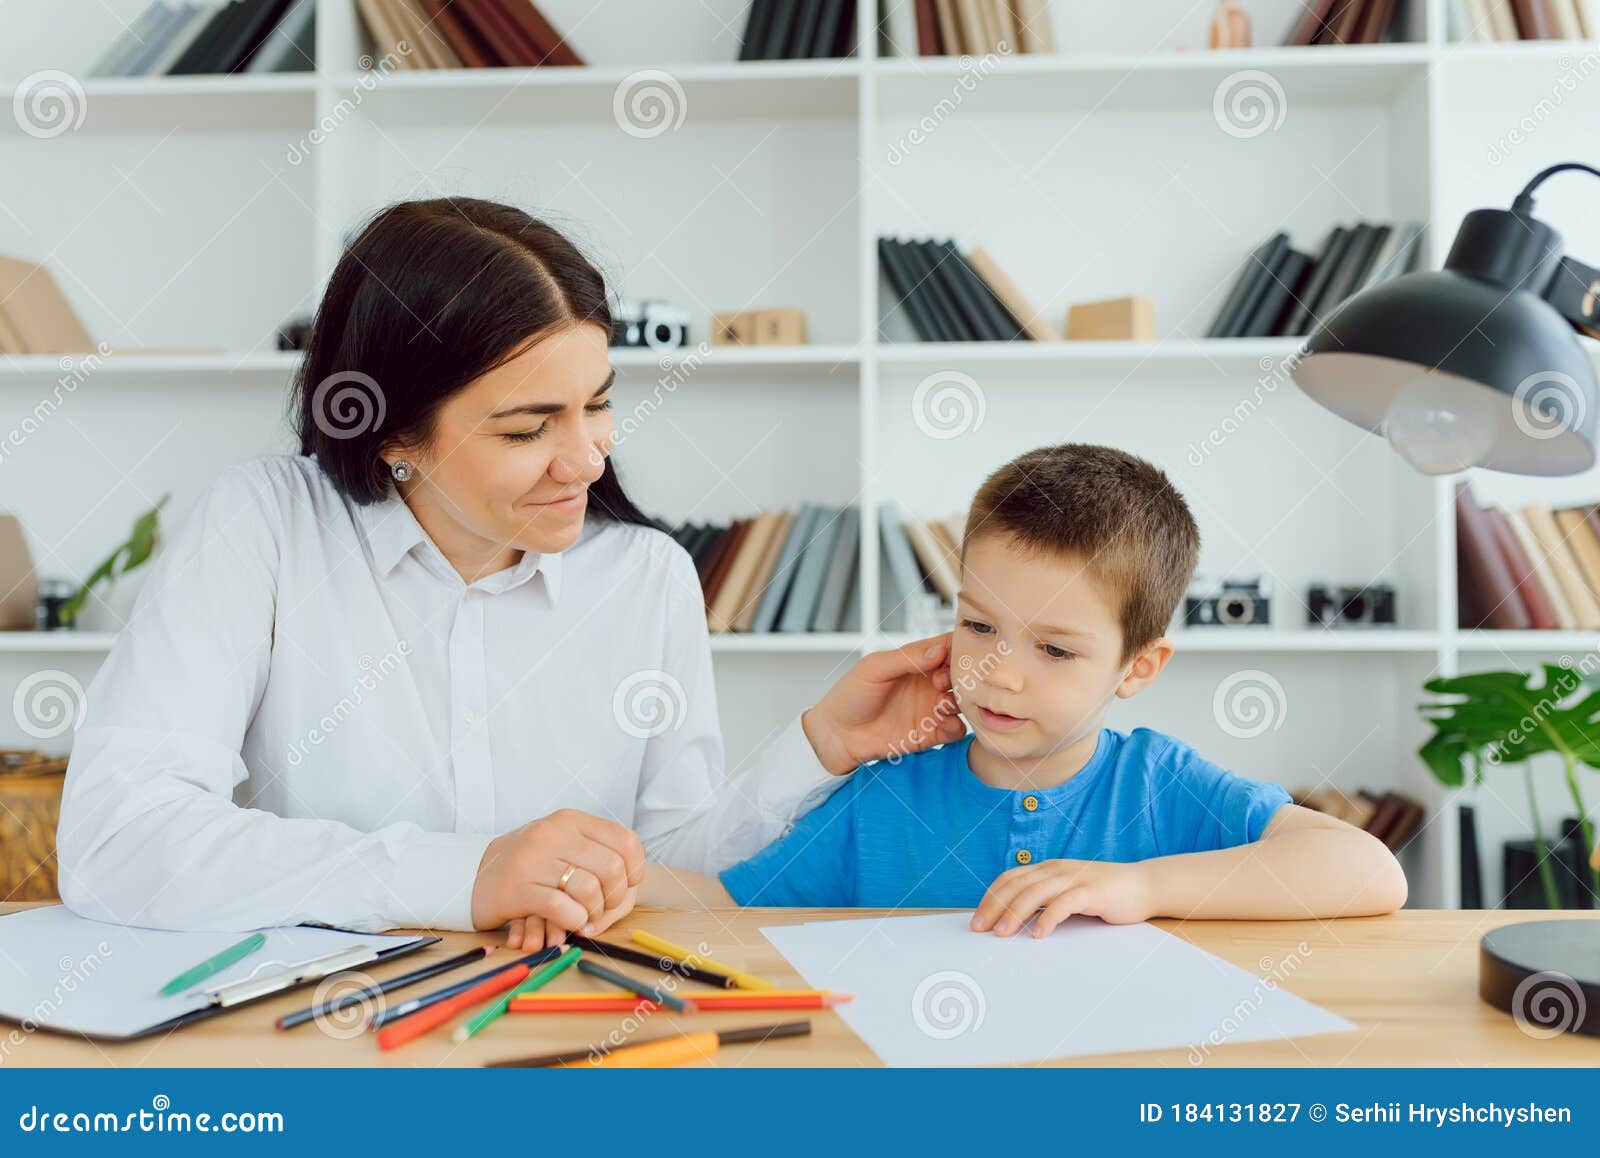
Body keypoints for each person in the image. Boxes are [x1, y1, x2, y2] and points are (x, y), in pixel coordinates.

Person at [54, 198, 966, 947]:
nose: (586, 461)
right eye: (528, 430)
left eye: (599, 406)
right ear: (393, 435)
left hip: (560, 1024)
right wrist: (466, 875)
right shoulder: (264, 525)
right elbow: (118, 838)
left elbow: (658, 863)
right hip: (322, 1026)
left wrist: (818, 750)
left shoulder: (645, 577)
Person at [647, 443, 1409, 935]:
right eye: (979, 627)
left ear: (1138, 667)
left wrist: (1145, 887)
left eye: (1053, 648)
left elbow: (1371, 872)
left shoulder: (1160, 785)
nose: (999, 673)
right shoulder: (887, 796)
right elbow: (727, 904)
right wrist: (605, 881)